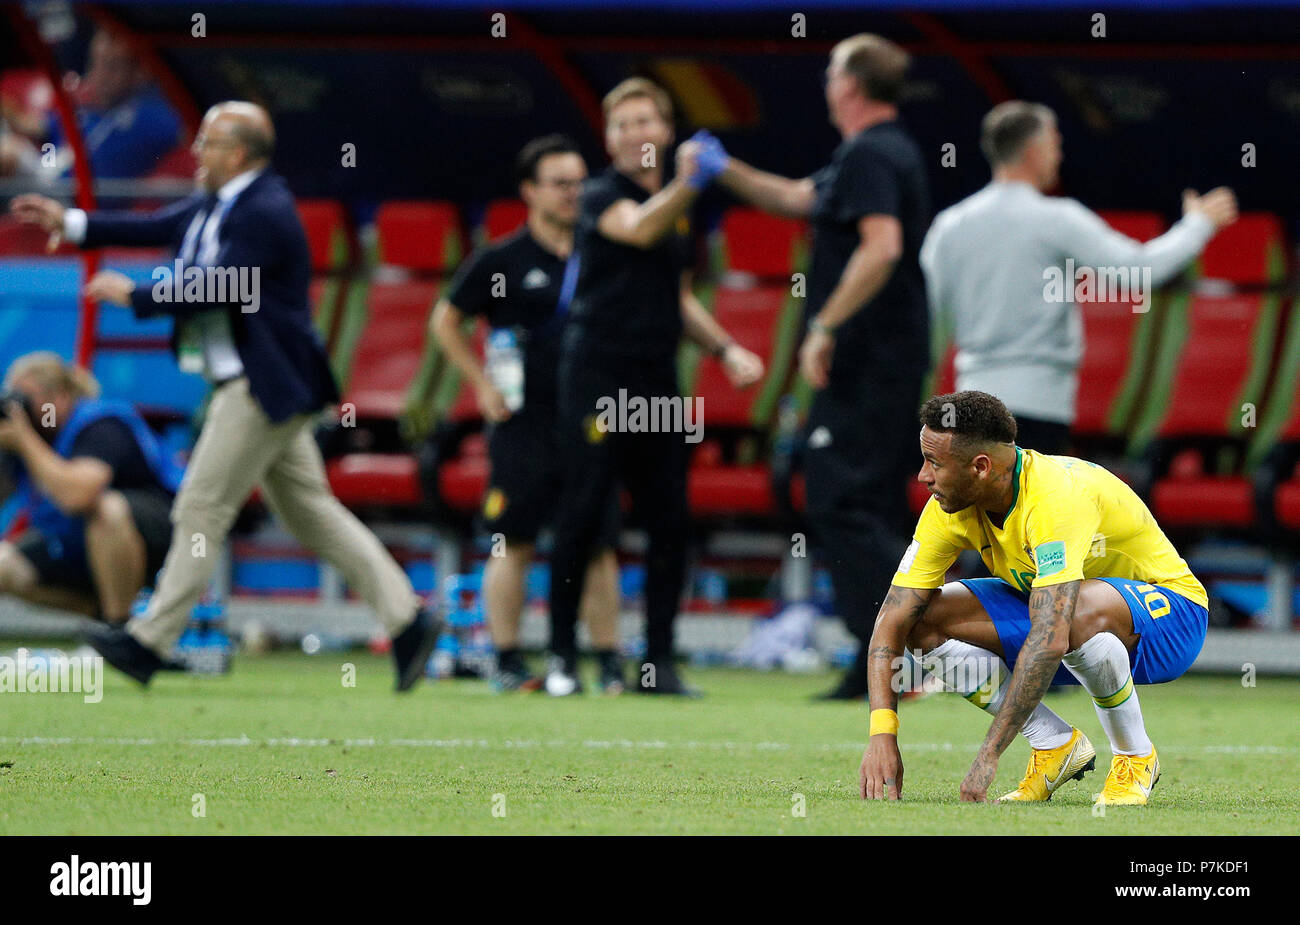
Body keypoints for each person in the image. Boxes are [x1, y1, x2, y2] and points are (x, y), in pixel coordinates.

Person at [10, 101, 437, 690]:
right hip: (256, 383)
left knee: (200, 509)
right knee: (310, 512)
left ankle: (147, 642)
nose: (196, 153)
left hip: (262, 386)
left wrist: (136, 296)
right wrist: (73, 224)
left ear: (237, 153)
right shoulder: (221, 204)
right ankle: (409, 620)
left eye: (207, 142)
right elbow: (157, 226)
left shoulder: (264, 210)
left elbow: (223, 287)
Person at [689, 34, 932, 700]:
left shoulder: (875, 153)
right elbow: (799, 197)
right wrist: (723, 167)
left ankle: (916, 644)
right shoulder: (870, 153)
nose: (826, 83)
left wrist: (823, 325)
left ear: (850, 84)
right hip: (884, 362)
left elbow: (881, 248)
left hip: (868, 361)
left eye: (831, 72)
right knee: (874, 506)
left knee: (839, 498)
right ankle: (882, 657)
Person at [860, 391, 1209, 806]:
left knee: (1072, 613)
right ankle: (1054, 744)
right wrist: (882, 732)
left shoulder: (1054, 498)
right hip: (1069, 625)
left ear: (981, 467)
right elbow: (892, 618)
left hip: (1171, 620)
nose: (923, 476)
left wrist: (989, 755)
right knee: (921, 620)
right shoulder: (949, 506)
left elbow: (1051, 636)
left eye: (934, 463)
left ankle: (1136, 757)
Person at [546, 78, 764, 697]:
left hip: (657, 383)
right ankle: (564, 655)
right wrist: (691, 180)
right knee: (584, 516)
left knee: (669, 520)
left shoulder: (676, 213)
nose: (635, 134)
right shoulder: (600, 196)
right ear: (609, 140)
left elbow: (676, 297)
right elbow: (638, 227)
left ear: (666, 131)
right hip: (597, 376)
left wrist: (725, 348)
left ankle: (659, 663)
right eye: (621, 125)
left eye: (645, 121)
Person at [920, 101, 1238, 454]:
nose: (1059, 156)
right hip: (1039, 408)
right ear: (1033, 150)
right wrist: (1198, 225)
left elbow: (925, 315)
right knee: (1034, 509)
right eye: (1056, 144)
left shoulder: (949, 226)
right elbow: (1138, 273)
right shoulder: (1056, 218)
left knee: (980, 510)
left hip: (972, 410)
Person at [430, 135, 623, 693]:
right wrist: (481, 385)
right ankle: (508, 658)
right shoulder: (501, 260)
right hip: (523, 420)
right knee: (511, 539)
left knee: (598, 542)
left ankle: (606, 661)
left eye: (578, 182)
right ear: (529, 191)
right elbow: (445, 321)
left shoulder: (603, 250)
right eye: (559, 184)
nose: (572, 194)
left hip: (593, 419)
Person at [0, 352, 180, 624]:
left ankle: (117, 627)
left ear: (60, 396)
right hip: (79, 548)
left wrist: (25, 442)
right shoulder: (31, 437)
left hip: (161, 538)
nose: (21, 409)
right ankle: (109, 620)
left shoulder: (100, 424)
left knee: (106, 509)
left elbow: (79, 497)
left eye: (27, 398)